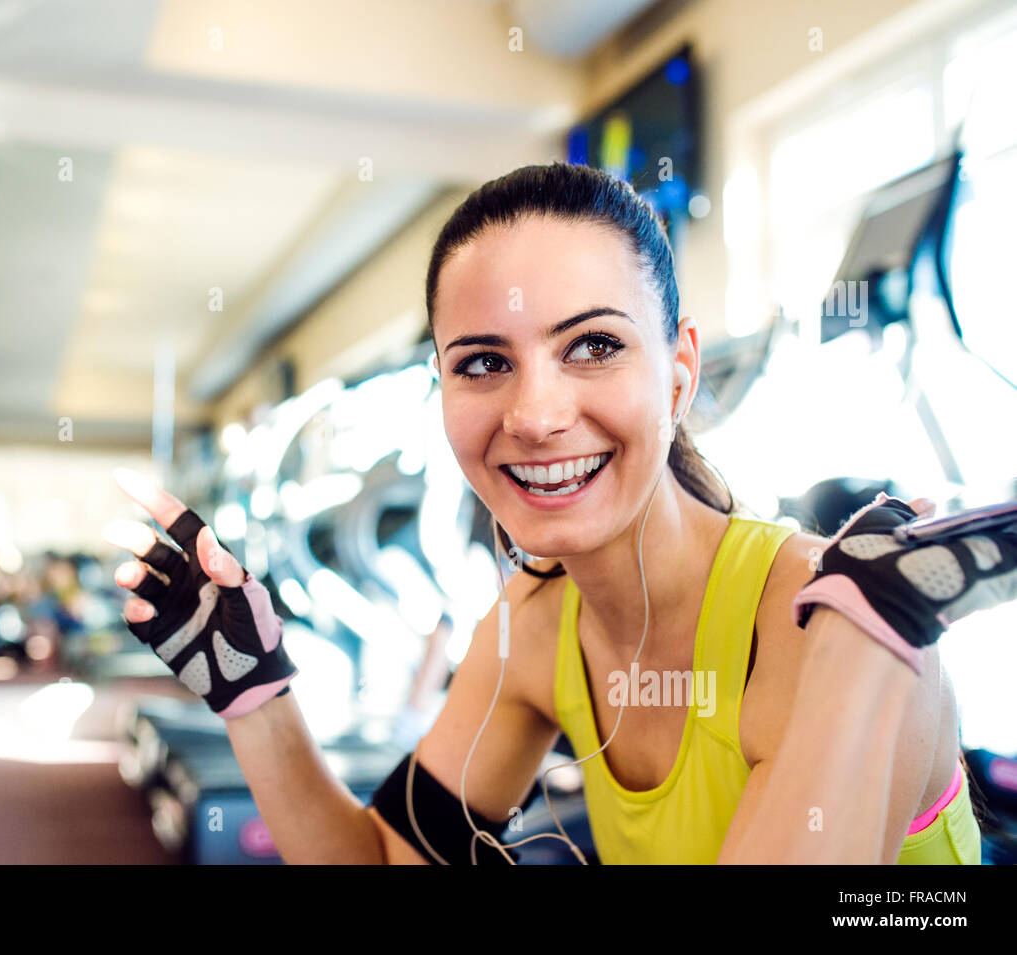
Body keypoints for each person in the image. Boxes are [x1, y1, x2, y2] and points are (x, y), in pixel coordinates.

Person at [104, 162, 1011, 864]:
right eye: (484, 362)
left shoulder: (810, 620)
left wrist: (867, 649)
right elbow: (383, 859)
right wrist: (253, 690)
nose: (534, 417)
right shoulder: (535, 629)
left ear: (681, 375)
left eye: (594, 345)